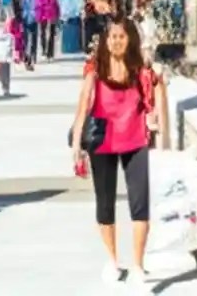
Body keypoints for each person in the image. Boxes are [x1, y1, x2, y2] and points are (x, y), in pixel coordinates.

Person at [69, 18, 165, 288]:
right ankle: (112, 260)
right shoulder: (95, 69)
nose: (117, 41)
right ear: (105, 40)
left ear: (130, 39)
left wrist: (159, 126)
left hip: (135, 142)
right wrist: (77, 145)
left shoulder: (140, 69)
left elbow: (157, 95)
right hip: (102, 142)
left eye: (122, 36)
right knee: (105, 203)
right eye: (112, 36)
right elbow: (82, 105)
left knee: (139, 203)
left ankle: (138, 265)